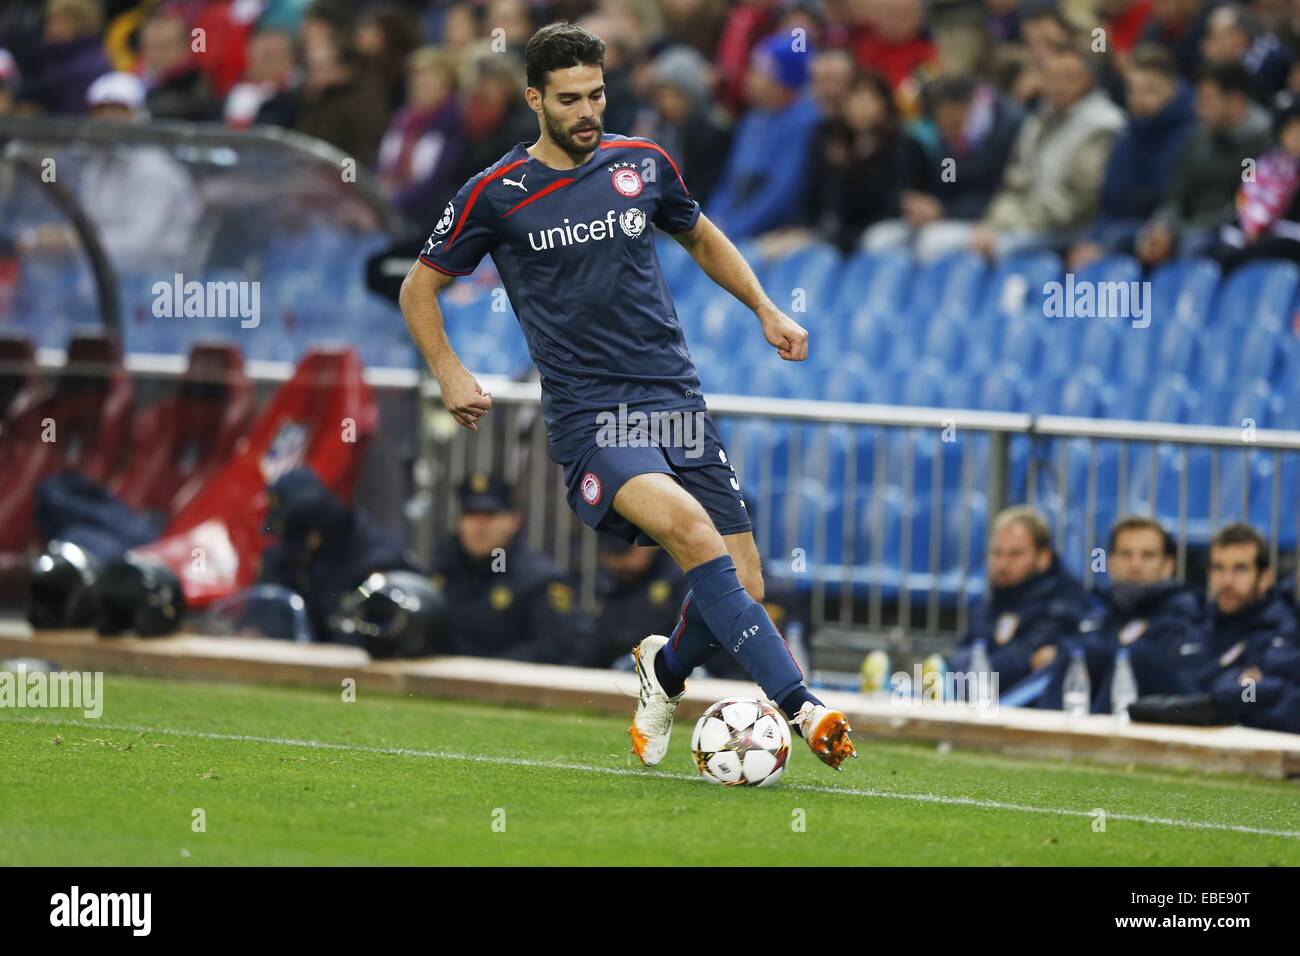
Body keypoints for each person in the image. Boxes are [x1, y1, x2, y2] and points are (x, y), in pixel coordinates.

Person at [400, 21, 856, 771]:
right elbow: (421, 287)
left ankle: (664, 672)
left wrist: (766, 309)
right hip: (591, 415)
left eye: (598, 95)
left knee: (743, 583)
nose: (588, 112)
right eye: (570, 99)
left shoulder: (641, 163)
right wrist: (449, 370)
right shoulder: (495, 192)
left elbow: (702, 236)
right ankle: (802, 707)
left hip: (675, 401)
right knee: (692, 531)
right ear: (535, 100)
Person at [1131, 523, 1300, 732]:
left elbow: (1253, 697)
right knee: (1137, 658)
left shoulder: (1281, 629)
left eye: (1240, 569)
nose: (1227, 581)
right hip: (1181, 716)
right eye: (1218, 568)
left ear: (1265, 577)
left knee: (1141, 658)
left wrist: (1228, 689)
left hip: (1231, 728)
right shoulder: (1198, 620)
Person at [1025, 516, 1204, 711]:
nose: (1135, 565)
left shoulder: (1185, 617)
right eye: (1126, 555)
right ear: (1110, 563)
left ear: (1168, 566)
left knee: (1133, 658)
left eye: (1148, 555)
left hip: (1160, 720)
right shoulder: (1097, 615)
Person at [429, 473, 594, 664]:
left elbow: (560, 644)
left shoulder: (537, 580)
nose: (479, 526)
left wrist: (489, 672)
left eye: (490, 516)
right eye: (470, 515)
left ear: (513, 522)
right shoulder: (444, 570)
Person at [257, 467, 416, 643]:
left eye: (289, 538)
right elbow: (262, 621)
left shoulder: (376, 563)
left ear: (313, 537)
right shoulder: (286, 561)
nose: (283, 546)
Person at [949, 506, 1094, 695]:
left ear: (1043, 558)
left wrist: (954, 679)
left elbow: (1016, 662)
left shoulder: (1062, 605)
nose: (1003, 564)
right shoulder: (987, 603)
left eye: (1015, 554)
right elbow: (964, 651)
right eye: (997, 553)